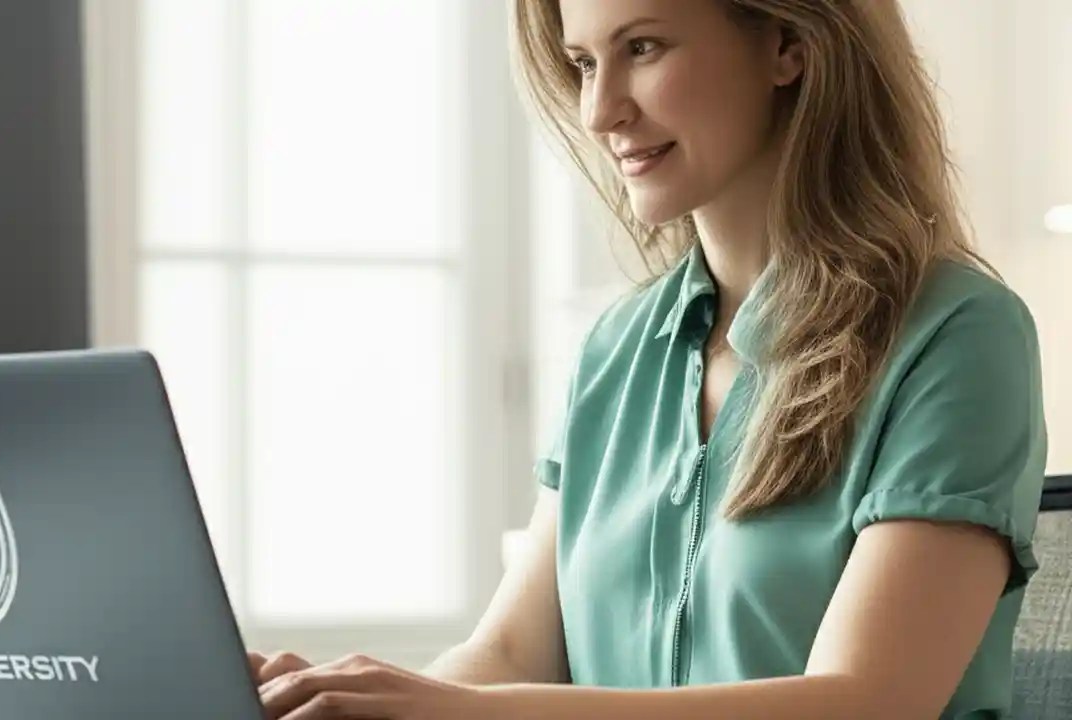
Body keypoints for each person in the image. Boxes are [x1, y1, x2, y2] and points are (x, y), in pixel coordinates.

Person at [249, 0, 1048, 717]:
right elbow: (506, 655)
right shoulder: (617, 348)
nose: (600, 111)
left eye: (645, 48)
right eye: (586, 62)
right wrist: (355, 700)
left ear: (788, 45)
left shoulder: (959, 337)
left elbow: (869, 702)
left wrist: (453, 715)